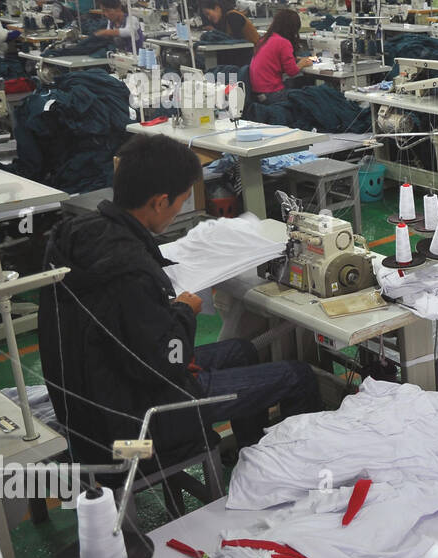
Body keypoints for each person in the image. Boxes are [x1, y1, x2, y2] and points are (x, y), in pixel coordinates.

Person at [38, 134, 320, 467]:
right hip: (130, 439)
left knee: (242, 351)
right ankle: (294, 476)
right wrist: (184, 312)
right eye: (181, 201)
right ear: (160, 202)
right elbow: (167, 362)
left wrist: (162, 313)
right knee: (298, 376)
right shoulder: (130, 269)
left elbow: (123, 329)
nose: (178, 210)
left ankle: (253, 457)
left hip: (88, 418)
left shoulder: (74, 237)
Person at [249, 7, 313, 103]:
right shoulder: (283, 42)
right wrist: (302, 63)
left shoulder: (265, 39)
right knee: (310, 95)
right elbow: (291, 72)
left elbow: (274, 60)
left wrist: (296, 59)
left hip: (257, 92)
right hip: (271, 92)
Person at [196, 0, 259, 65]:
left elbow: (238, 44)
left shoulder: (233, 16)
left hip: (254, 57)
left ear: (217, 8)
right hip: (245, 56)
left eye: (208, 14)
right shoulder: (223, 20)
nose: (208, 18)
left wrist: (215, 33)